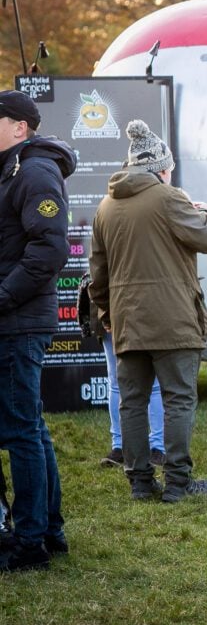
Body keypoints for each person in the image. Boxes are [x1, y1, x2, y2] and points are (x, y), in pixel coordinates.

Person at [89, 120, 207, 504]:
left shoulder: (106, 206)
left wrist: (108, 311)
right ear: (162, 167)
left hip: (127, 322)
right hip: (174, 320)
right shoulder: (169, 197)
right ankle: (178, 483)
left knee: (132, 402)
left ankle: (140, 483)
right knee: (179, 398)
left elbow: (98, 275)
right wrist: (206, 211)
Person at [0, 90, 73, 571]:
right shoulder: (12, 169)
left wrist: (1, 298)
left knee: (19, 430)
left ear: (19, 127)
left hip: (17, 322)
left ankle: (30, 544)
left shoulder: (34, 171)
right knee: (30, 427)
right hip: (13, 320)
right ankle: (50, 528)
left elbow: (48, 252)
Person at [100, 330, 165, 469]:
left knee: (153, 383)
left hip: (142, 319)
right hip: (111, 321)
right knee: (116, 382)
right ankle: (119, 446)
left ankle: (157, 447)